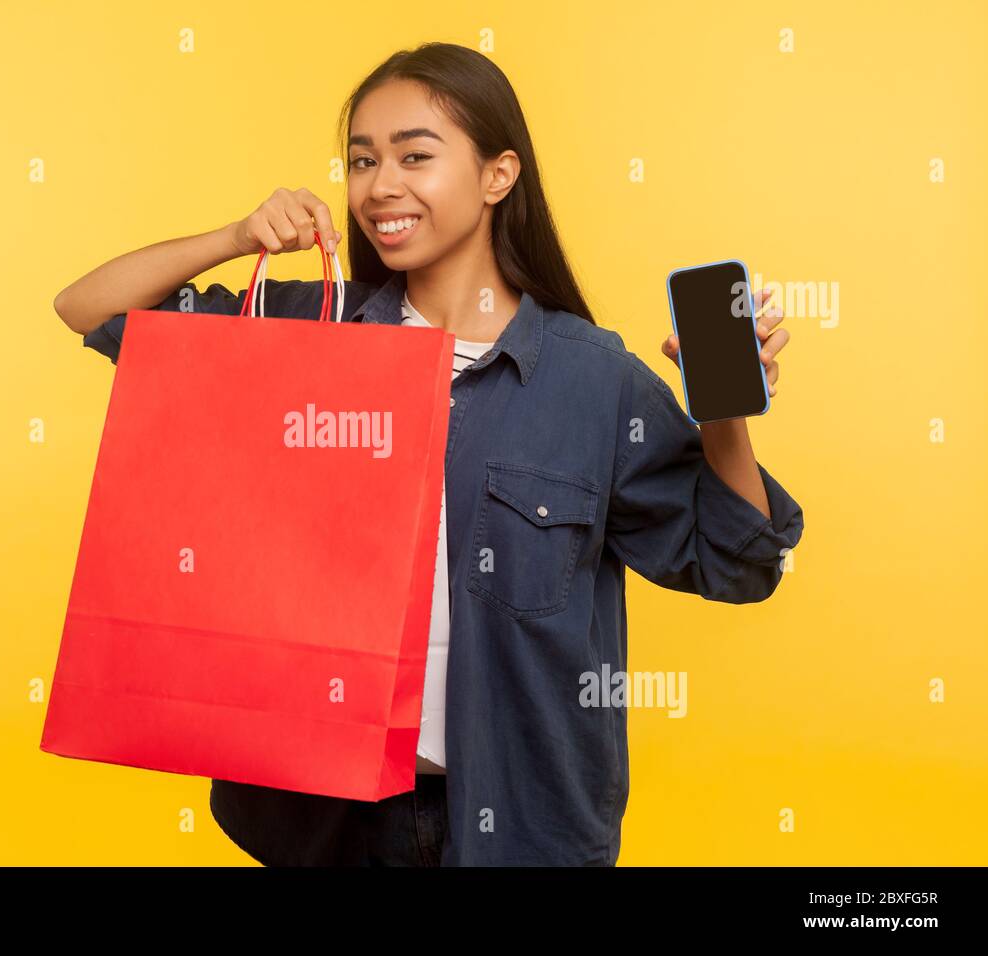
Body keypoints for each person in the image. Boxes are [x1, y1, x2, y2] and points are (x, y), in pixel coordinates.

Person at [53, 42, 804, 866]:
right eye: (362, 160)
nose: (381, 187)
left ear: (498, 175)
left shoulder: (597, 384)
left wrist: (724, 412)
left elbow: (739, 564)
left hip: (524, 824)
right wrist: (236, 236)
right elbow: (85, 306)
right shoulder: (310, 332)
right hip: (325, 824)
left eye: (416, 155)